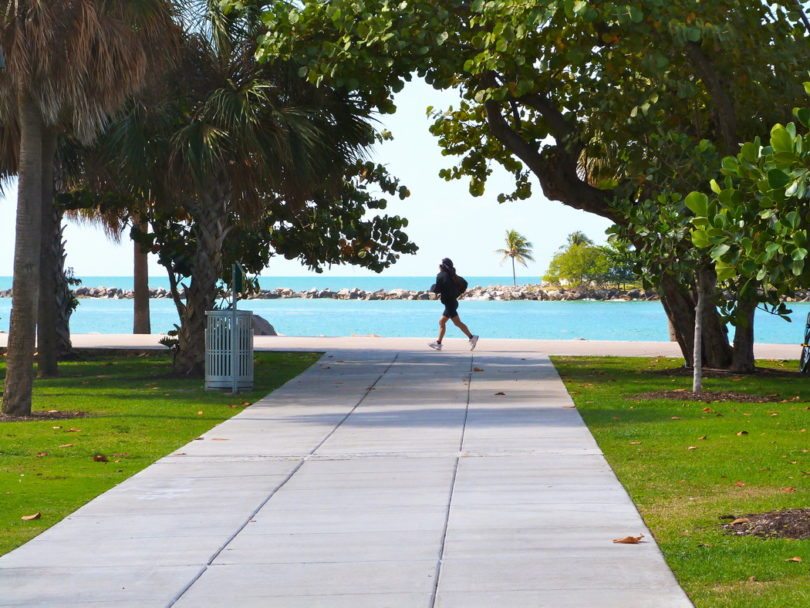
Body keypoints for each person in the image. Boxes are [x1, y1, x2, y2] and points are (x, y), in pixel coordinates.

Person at [428, 258, 479, 351]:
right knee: (446, 322)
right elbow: (465, 283)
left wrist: (432, 288)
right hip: (452, 303)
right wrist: (458, 293)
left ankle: (472, 337)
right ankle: (439, 343)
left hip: (450, 304)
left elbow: (437, 289)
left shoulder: (441, 275)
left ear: (442, 266)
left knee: (454, 323)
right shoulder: (454, 276)